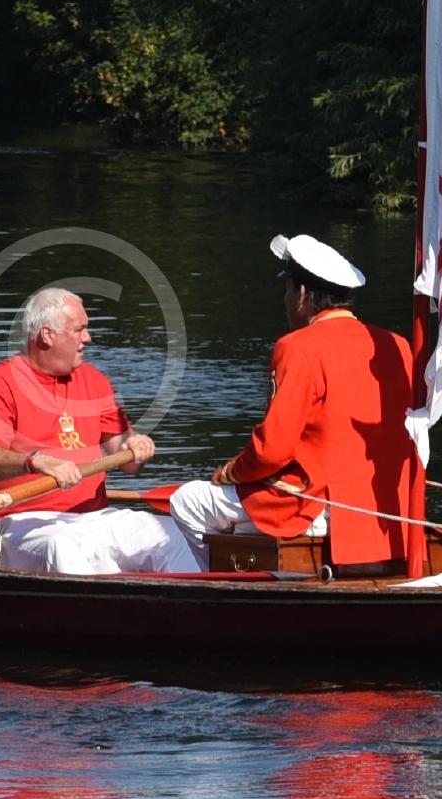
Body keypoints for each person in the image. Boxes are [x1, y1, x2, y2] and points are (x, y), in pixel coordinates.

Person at [168, 233, 425, 574]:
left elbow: (272, 449)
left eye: (287, 289)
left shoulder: (298, 347)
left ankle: (222, 592)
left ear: (302, 294)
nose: (286, 300)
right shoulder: (398, 346)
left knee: (187, 502)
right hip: (388, 508)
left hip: (316, 505)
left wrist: (229, 473)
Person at [0, 287, 198, 575]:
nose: (88, 338)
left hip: (94, 516)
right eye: (79, 329)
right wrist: (34, 461)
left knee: (165, 531)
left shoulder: (95, 381)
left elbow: (126, 458)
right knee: (60, 547)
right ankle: (96, 615)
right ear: (47, 335)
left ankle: (197, 612)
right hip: (23, 523)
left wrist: (137, 447)